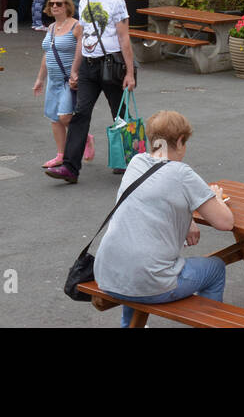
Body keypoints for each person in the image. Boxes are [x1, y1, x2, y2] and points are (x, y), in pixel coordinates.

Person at [93, 110, 235, 327]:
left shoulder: (136, 163)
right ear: (179, 141)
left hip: (108, 274)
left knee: (137, 262)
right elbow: (226, 223)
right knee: (215, 268)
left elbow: (156, 200)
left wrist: (189, 220)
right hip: (149, 282)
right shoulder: (182, 173)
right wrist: (215, 197)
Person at [44, 0, 136, 184]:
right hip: (88, 65)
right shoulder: (84, 1)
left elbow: (124, 38)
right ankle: (70, 168)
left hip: (112, 64)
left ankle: (129, 161)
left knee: (120, 115)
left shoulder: (115, 0)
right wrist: (75, 70)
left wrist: (130, 73)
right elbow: (82, 38)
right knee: (80, 114)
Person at [33, 0, 83, 170]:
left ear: (67, 6)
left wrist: (75, 73)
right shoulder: (52, 27)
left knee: (65, 117)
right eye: (52, 3)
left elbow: (82, 52)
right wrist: (40, 79)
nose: (55, 6)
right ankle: (61, 155)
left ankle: (85, 138)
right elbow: (47, 54)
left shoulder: (76, 26)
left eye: (59, 3)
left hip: (67, 80)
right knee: (54, 119)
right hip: (52, 80)